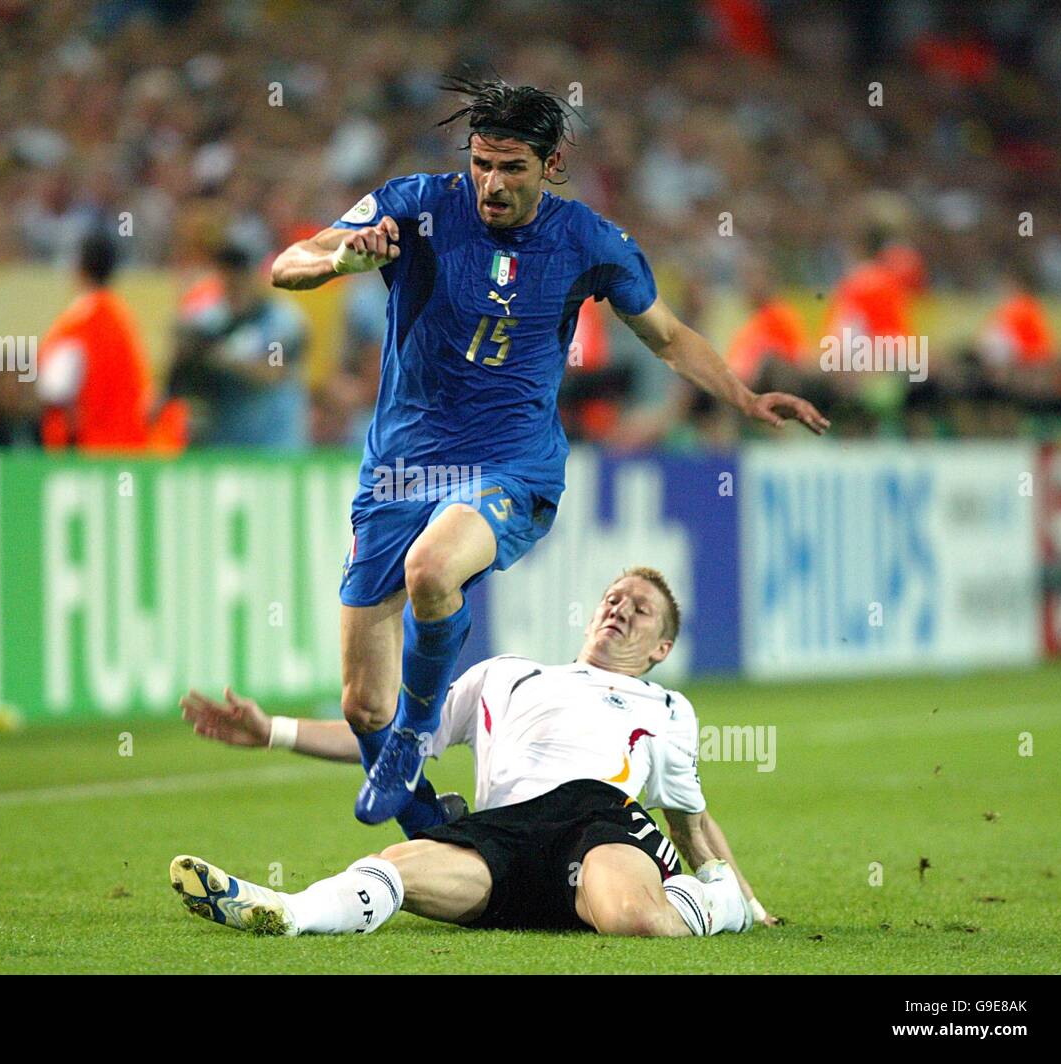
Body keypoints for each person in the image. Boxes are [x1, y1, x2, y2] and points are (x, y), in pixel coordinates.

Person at [269, 76, 829, 835]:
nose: (492, 185)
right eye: (482, 164)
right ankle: (439, 828)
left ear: (551, 163)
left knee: (432, 571)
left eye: (512, 169)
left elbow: (666, 335)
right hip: (399, 471)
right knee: (361, 704)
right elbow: (289, 262)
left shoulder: (588, 242)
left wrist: (745, 397)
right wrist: (341, 260)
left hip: (512, 465)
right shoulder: (417, 204)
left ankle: (415, 732)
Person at [173, 566, 777, 938]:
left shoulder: (664, 707)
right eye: (613, 597)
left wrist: (745, 899)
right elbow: (397, 740)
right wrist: (273, 730)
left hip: (597, 823)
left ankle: (715, 905)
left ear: (661, 647)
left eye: (640, 609)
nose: (620, 608)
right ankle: (282, 911)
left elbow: (691, 825)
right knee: (397, 866)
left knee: (639, 920)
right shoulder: (506, 674)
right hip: (502, 837)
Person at [166, 240, 309, 448]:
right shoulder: (207, 319)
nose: (235, 278)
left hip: (274, 449)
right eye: (228, 271)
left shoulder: (283, 320)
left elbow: (272, 372)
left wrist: (218, 356)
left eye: (241, 271)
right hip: (223, 446)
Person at [37, 231, 153, 452]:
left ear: (78, 267)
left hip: (88, 454)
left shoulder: (77, 324)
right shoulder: (122, 318)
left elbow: (55, 389)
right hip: (129, 451)